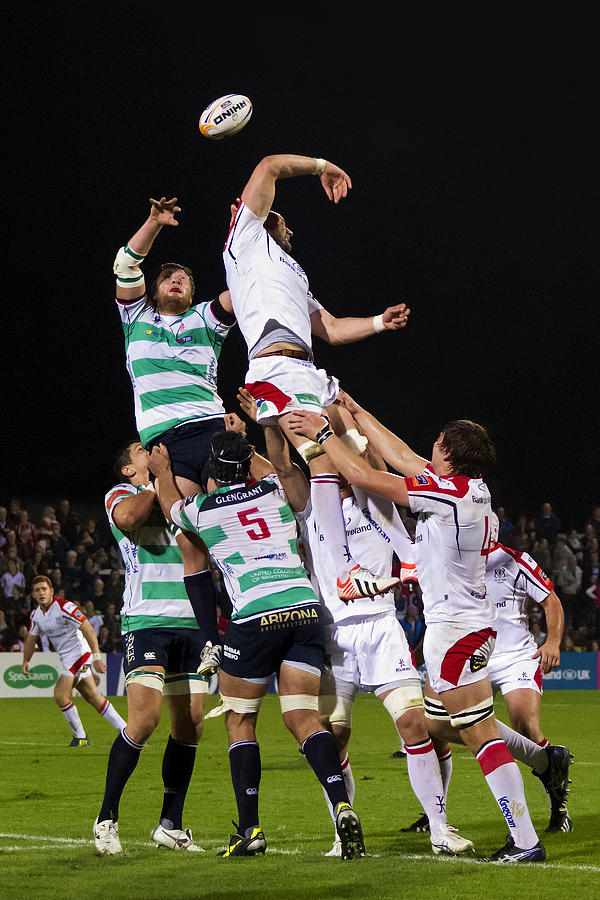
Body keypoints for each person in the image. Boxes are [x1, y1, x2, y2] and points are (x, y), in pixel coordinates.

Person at [288, 393, 546, 863]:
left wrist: (325, 435)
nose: (430, 447)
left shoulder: (446, 495)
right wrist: (359, 412)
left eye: (437, 443)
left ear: (447, 453)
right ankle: (535, 762)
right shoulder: (472, 488)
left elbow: (365, 475)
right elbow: (405, 458)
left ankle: (526, 836)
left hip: (455, 630)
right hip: (463, 626)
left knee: (477, 732)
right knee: (430, 724)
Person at [148, 430, 366, 860]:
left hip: (255, 617)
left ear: (213, 472)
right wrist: (247, 442)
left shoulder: (203, 510)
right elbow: (274, 466)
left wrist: (163, 472)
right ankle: (340, 803)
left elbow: (171, 506)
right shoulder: (272, 490)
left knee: (240, 721)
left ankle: (250, 830)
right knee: (304, 718)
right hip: (304, 610)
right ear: (247, 465)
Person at [223, 153, 411, 603]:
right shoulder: (245, 241)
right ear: (265, 217)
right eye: (285, 225)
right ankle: (345, 568)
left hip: (307, 368)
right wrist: (322, 166)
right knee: (323, 456)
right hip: (272, 368)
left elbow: (330, 328)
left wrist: (379, 323)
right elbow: (268, 166)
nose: (293, 233)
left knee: (358, 453)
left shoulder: (295, 272)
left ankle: (410, 554)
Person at [113, 194, 237, 669]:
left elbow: (241, 289)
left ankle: (261, 615)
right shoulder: (135, 320)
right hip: (164, 444)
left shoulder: (205, 319)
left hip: (209, 429)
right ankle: (213, 642)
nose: (176, 280)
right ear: (154, 288)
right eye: (167, 276)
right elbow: (126, 263)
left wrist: (240, 234)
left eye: (183, 278)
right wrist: (153, 222)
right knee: (189, 538)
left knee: (231, 522)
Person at [93, 440, 210, 856]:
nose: (151, 447)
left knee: (192, 724)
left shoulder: (179, 491)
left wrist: (174, 484)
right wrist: (161, 480)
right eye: (139, 448)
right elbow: (128, 519)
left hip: (191, 621)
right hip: (147, 621)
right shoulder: (121, 494)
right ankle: (106, 819)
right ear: (128, 468)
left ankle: (170, 825)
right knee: (144, 721)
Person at [22, 575, 125, 746]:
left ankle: (81, 737)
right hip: (67, 659)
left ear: (51, 591)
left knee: (60, 695)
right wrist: (26, 659)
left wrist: (96, 657)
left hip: (80, 654)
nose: (41, 593)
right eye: (37, 590)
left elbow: (89, 629)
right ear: (33, 594)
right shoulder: (36, 615)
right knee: (92, 696)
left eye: (44, 589)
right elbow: (31, 639)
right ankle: (125, 729)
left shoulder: (64, 607)